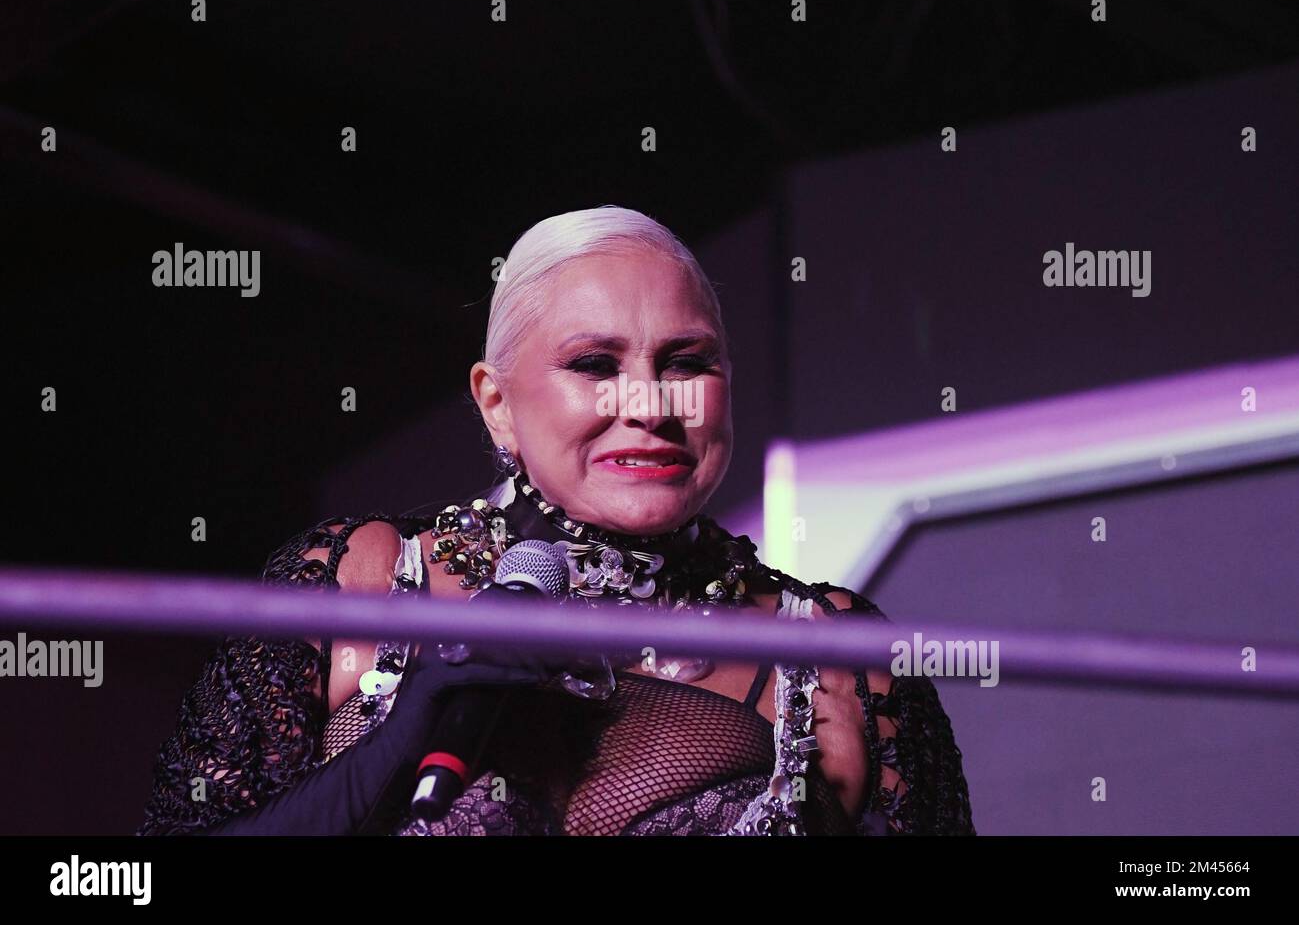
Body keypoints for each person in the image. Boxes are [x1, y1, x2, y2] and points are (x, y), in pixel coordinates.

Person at [139, 205, 975, 836]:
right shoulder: (358, 577)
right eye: (594, 365)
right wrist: (397, 749)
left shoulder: (837, 653)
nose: (649, 405)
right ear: (497, 406)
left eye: (687, 364)